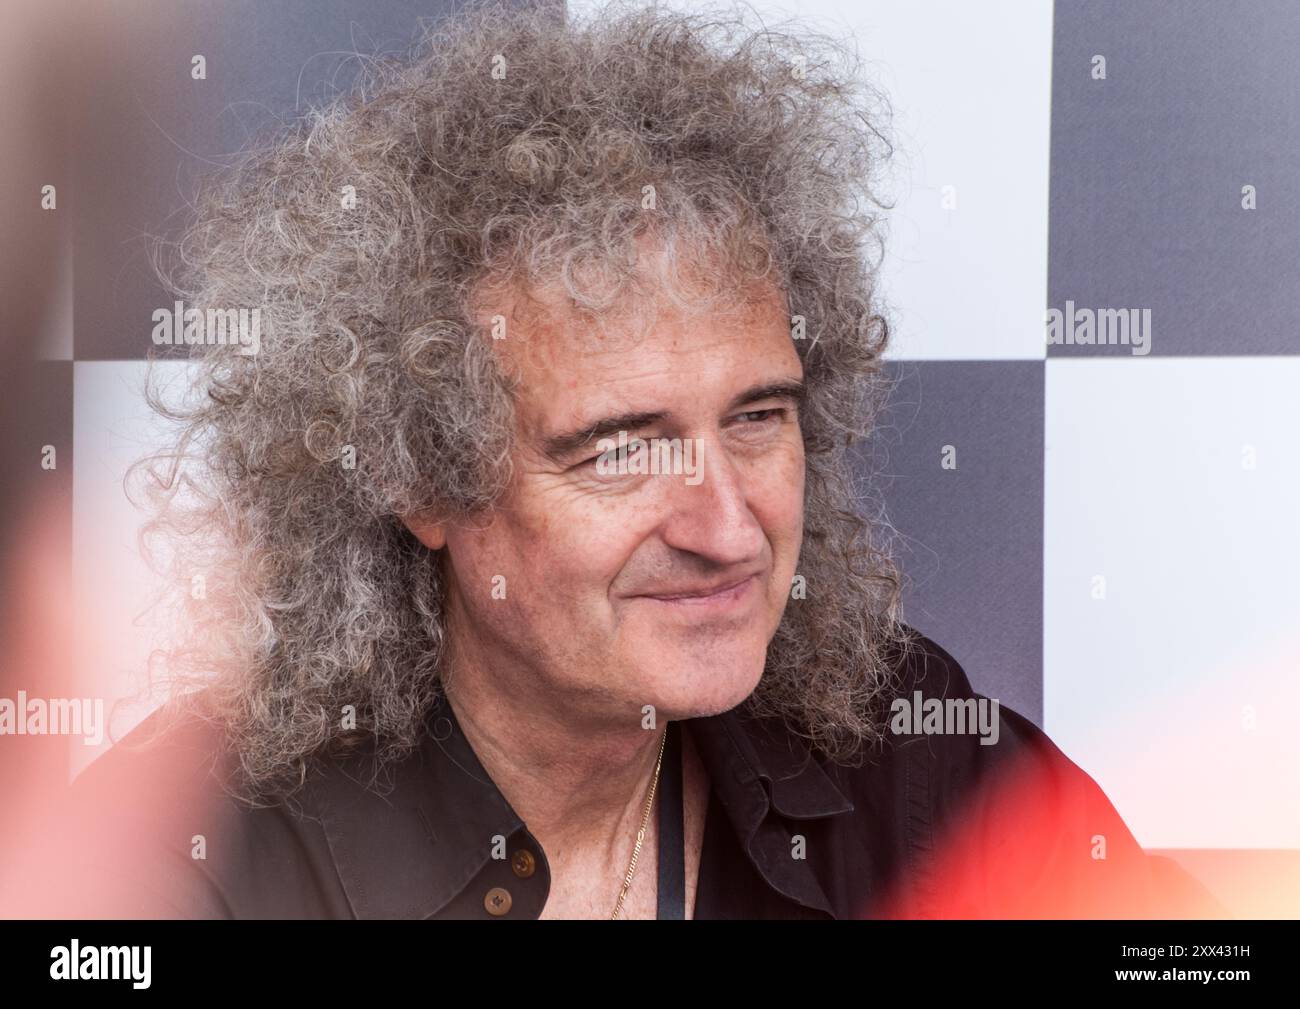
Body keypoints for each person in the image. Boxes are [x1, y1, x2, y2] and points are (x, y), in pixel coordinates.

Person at [11, 0, 1221, 920]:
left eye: (756, 418)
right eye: (622, 449)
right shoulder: (188, 858)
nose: (727, 527)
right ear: (423, 478)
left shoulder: (913, 754)